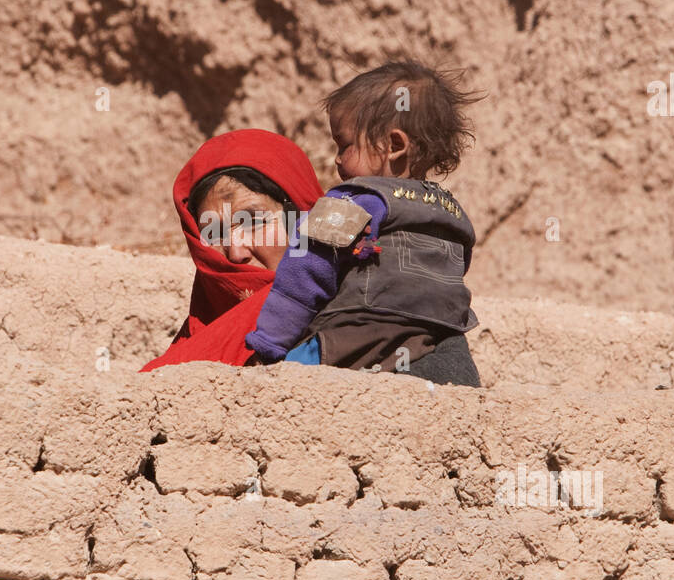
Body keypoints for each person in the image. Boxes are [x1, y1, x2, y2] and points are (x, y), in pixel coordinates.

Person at [245, 61, 484, 386]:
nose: (337, 158)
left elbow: (303, 273)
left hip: (359, 337)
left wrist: (269, 344)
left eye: (344, 144)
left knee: (281, 385)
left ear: (394, 146)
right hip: (441, 347)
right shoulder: (453, 212)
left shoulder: (353, 199)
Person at [141, 129, 323, 371]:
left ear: (301, 217)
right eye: (213, 233)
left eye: (255, 221)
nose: (236, 253)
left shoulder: (356, 316)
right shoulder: (183, 356)